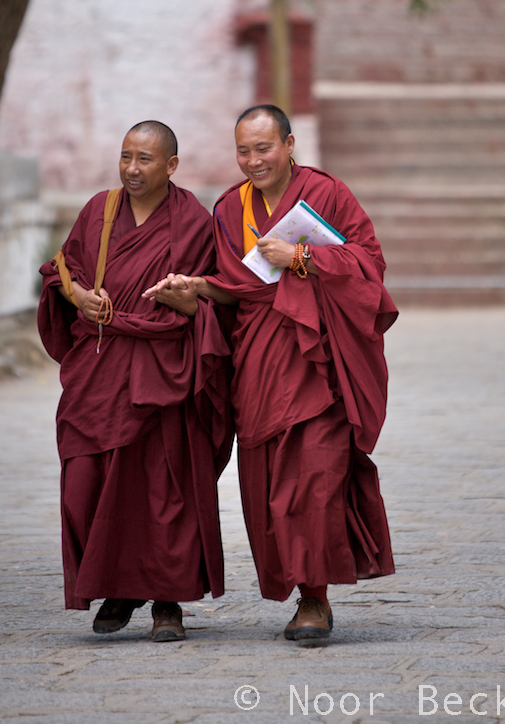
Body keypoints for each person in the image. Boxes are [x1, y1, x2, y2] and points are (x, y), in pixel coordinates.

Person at [144, 105, 397, 640]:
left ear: (288, 144)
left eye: (264, 148)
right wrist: (194, 288)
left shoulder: (327, 194)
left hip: (314, 360)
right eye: (243, 150)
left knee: (314, 478)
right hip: (256, 359)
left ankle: (314, 600)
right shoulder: (229, 207)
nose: (254, 160)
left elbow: (368, 264)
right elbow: (234, 285)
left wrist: (301, 254)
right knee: (268, 486)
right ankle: (296, 583)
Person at [38, 120, 232, 642]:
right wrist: (80, 298)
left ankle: (166, 602)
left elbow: (215, 298)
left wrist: (188, 301)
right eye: (126, 157)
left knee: (161, 490)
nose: (132, 169)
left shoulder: (193, 220)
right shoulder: (99, 211)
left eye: (145, 159)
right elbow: (61, 267)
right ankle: (120, 586)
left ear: (170, 166)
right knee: (86, 484)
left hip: (163, 371)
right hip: (99, 367)